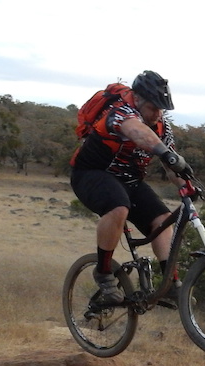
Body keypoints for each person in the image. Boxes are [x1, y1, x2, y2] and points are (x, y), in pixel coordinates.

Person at [70, 70, 193, 306]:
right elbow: (138, 132)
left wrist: (186, 186)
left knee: (163, 220)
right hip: (91, 174)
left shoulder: (162, 127)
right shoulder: (119, 112)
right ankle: (103, 272)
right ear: (137, 99)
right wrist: (166, 154)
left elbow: (171, 166)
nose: (158, 114)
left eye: (161, 109)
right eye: (153, 107)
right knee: (118, 207)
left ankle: (170, 283)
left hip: (130, 181)